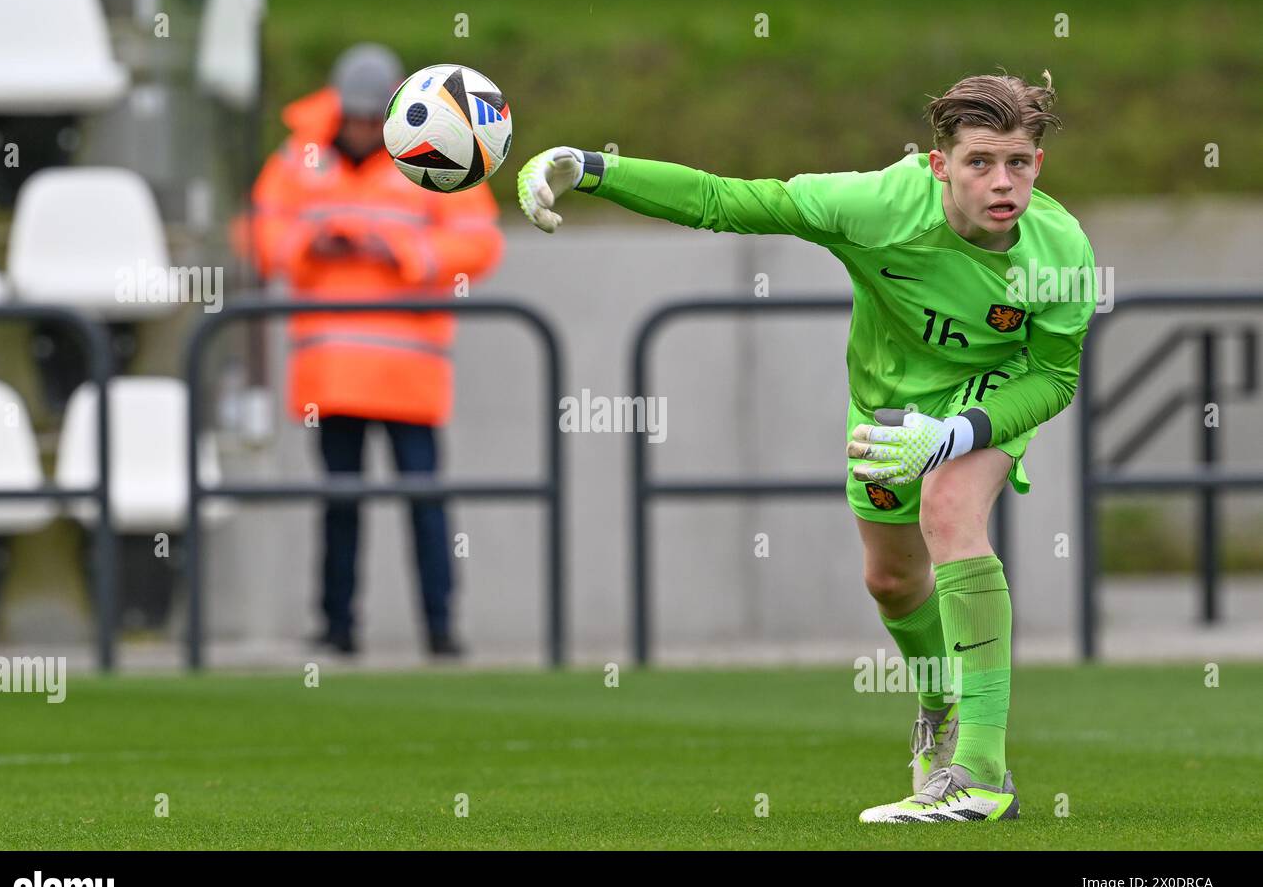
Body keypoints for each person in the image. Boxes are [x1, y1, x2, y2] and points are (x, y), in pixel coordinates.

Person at [518, 72, 1096, 821]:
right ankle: (941, 707)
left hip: (989, 398)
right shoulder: (873, 206)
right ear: (939, 165)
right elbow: (726, 201)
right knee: (892, 582)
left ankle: (981, 776)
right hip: (887, 405)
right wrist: (594, 168)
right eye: (979, 161)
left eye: (1017, 163)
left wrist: (958, 433)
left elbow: (1054, 376)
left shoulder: (1061, 251)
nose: (1002, 182)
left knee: (949, 505)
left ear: (1038, 165)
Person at [249, 44, 504, 656]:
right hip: (331, 374)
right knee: (340, 502)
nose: (364, 129)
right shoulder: (298, 156)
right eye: (356, 117)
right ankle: (338, 628)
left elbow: (479, 243)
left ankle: (440, 630)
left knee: (423, 500)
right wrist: (313, 245)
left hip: (407, 374)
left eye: (373, 118)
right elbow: (264, 232)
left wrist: (405, 254)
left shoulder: (439, 147)